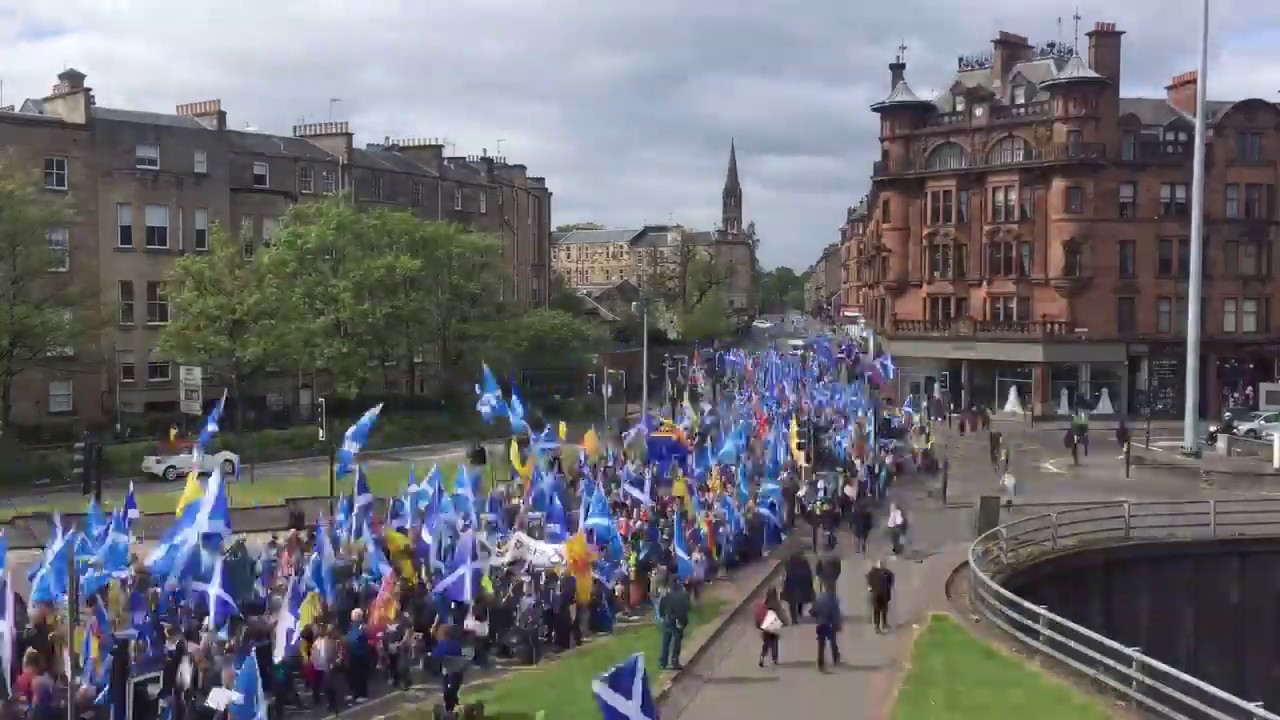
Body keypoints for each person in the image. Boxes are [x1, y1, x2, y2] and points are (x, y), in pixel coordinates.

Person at [657, 579, 691, 670]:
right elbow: (688, 607)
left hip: (669, 619)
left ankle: (663, 662)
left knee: (666, 641)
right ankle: (675, 661)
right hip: (679, 620)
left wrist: (663, 617)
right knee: (677, 641)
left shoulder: (666, 596)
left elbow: (661, 610)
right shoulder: (685, 595)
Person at [810, 584, 842, 671]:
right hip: (830, 624)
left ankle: (820, 662)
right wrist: (838, 624)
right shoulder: (833, 600)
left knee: (821, 644)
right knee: (833, 642)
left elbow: (812, 611)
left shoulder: (819, 598)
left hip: (821, 624)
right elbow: (836, 614)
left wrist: (818, 617)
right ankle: (835, 658)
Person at [753, 587, 783, 667]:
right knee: (774, 643)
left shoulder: (764, 604)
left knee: (766, 643)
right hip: (773, 627)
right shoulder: (776, 604)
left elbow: (759, 615)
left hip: (765, 628)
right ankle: (774, 658)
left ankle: (762, 657)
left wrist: (758, 625)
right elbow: (780, 614)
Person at [781, 552, 814, 623]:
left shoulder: (789, 562)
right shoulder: (802, 561)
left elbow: (787, 573)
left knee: (793, 601)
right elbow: (808, 573)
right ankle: (796, 617)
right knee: (795, 600)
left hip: (794, 584)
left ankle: (795, 618)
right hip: (797, 583)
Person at [866, 559, 895, 633]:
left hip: (880, 595)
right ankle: (879, 626)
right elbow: (869, 582)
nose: (881, 565)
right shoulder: (876, 573)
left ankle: (881, 625)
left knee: (881, 611)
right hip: (879, 595)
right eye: (880, 564)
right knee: (879, 611)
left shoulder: (885, 573)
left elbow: (891, 580)